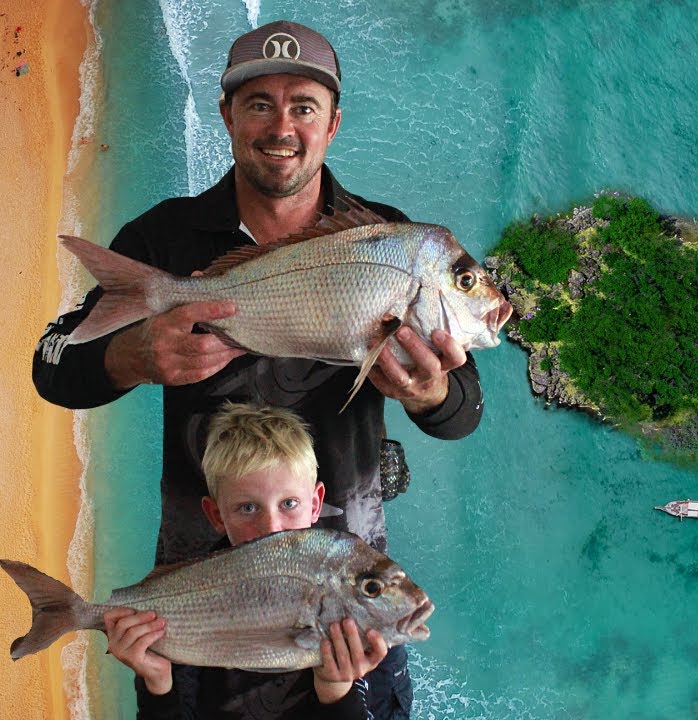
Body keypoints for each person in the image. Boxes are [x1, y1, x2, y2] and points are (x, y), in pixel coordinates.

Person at [32, 20, 483, 718]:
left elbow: (463, 413)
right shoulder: (165, 239)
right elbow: (52, 364)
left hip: (348, 592)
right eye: (258, 103)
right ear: (227, 116)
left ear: (333, 122)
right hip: (199, 597)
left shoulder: (388, 242)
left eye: (303, 105)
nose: (282, 126)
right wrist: (134, 355)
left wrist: (432, 391)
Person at [105, 403, 386, 718]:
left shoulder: (353, 598)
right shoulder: (189, 593)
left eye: (289, 503)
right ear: (216, 515)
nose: (271, 527)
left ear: (315, 503)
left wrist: (336, 690)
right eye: (248, 508)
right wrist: (156, 682)